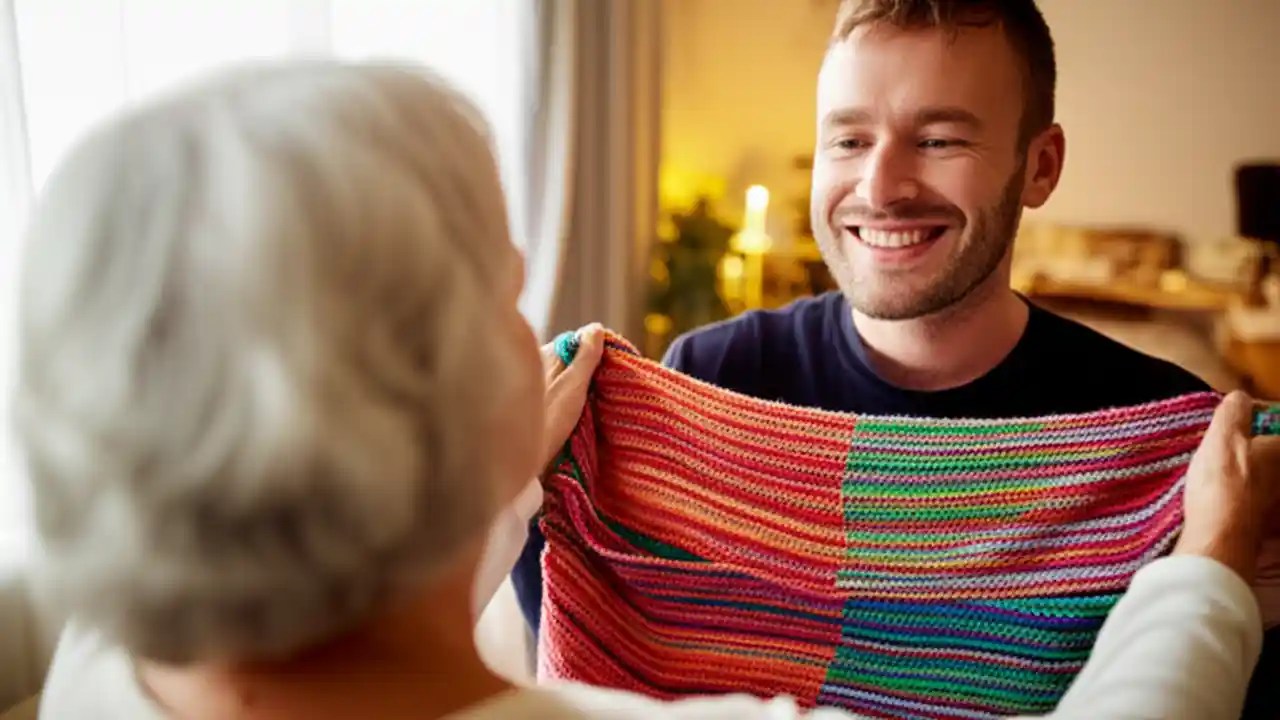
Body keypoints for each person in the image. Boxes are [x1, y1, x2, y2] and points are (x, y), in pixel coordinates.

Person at [14, 60, 1274, 720]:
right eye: (505, 297)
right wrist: (1208, 570)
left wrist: (503, 473)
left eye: (938, 136)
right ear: (437, 404)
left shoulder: (99, 669)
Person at [510, 0, 1280, 713]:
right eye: (848, 140)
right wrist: (521, 492)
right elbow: (602, 672)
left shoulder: (1170, 450)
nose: (881, 187)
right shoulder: (714, 380)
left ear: (1040, 167)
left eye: (939, 140)